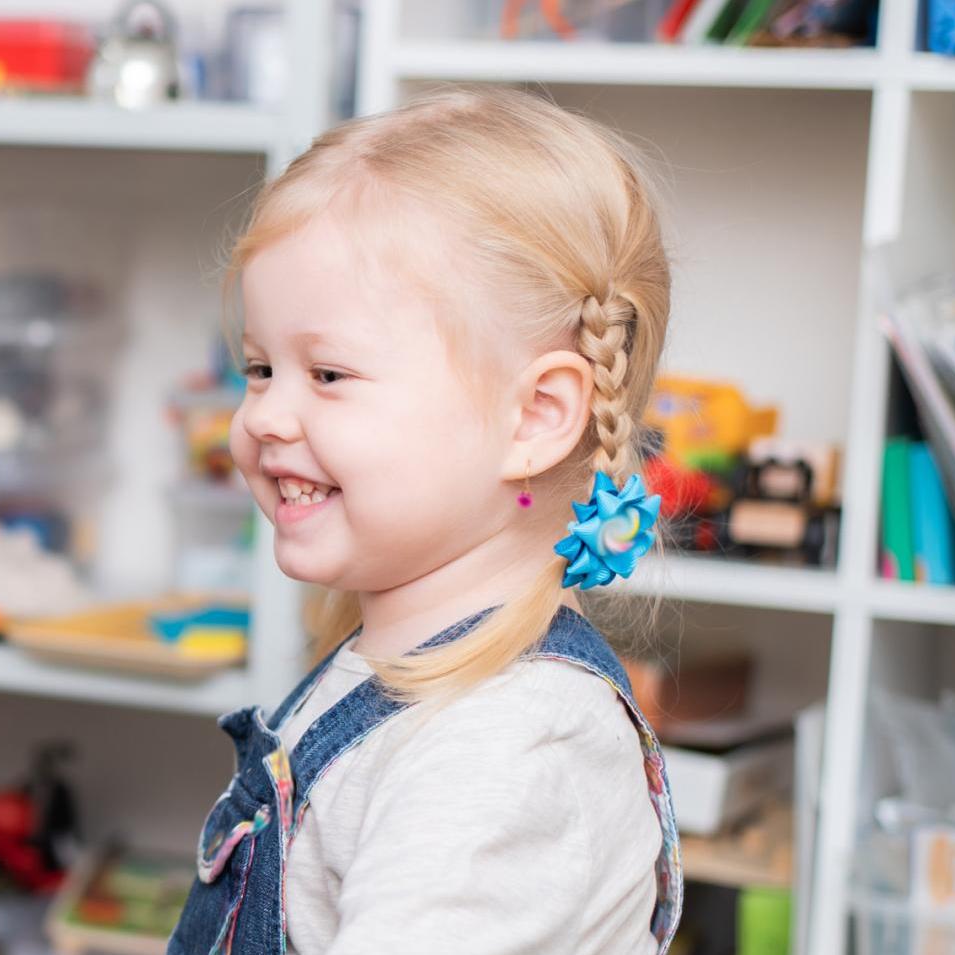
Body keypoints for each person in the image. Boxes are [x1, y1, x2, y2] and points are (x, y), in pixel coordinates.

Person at [169, 88, 683, 954]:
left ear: (534, 416)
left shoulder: (508, 749)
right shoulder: (399, 673)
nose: (262, 417)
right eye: (259, 368)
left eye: (327, 374)